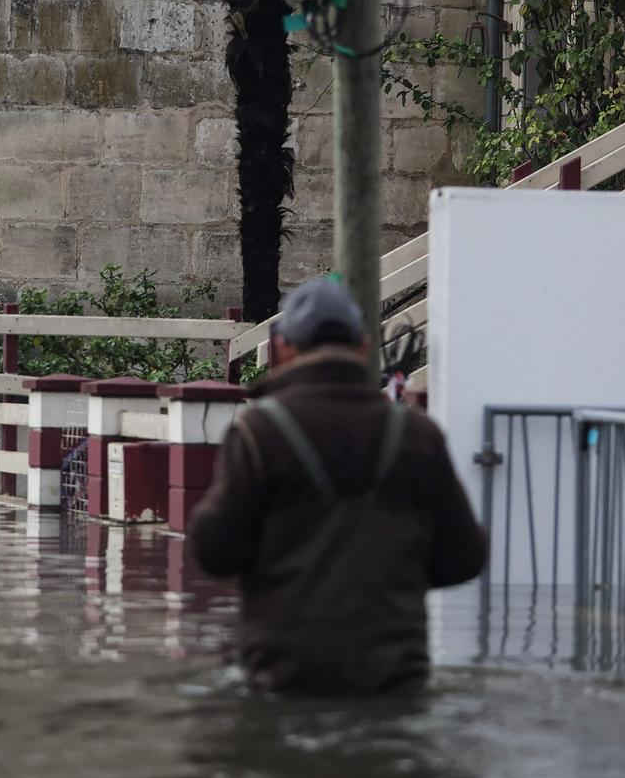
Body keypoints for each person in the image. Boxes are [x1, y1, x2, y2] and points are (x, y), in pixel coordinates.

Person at [192, 278, 488, 696]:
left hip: (284, 683)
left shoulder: (259, 433)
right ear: (364, 348)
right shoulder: (417, 434)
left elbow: (214, 554)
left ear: (281, 349)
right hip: (394, 684)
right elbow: (465, 558)